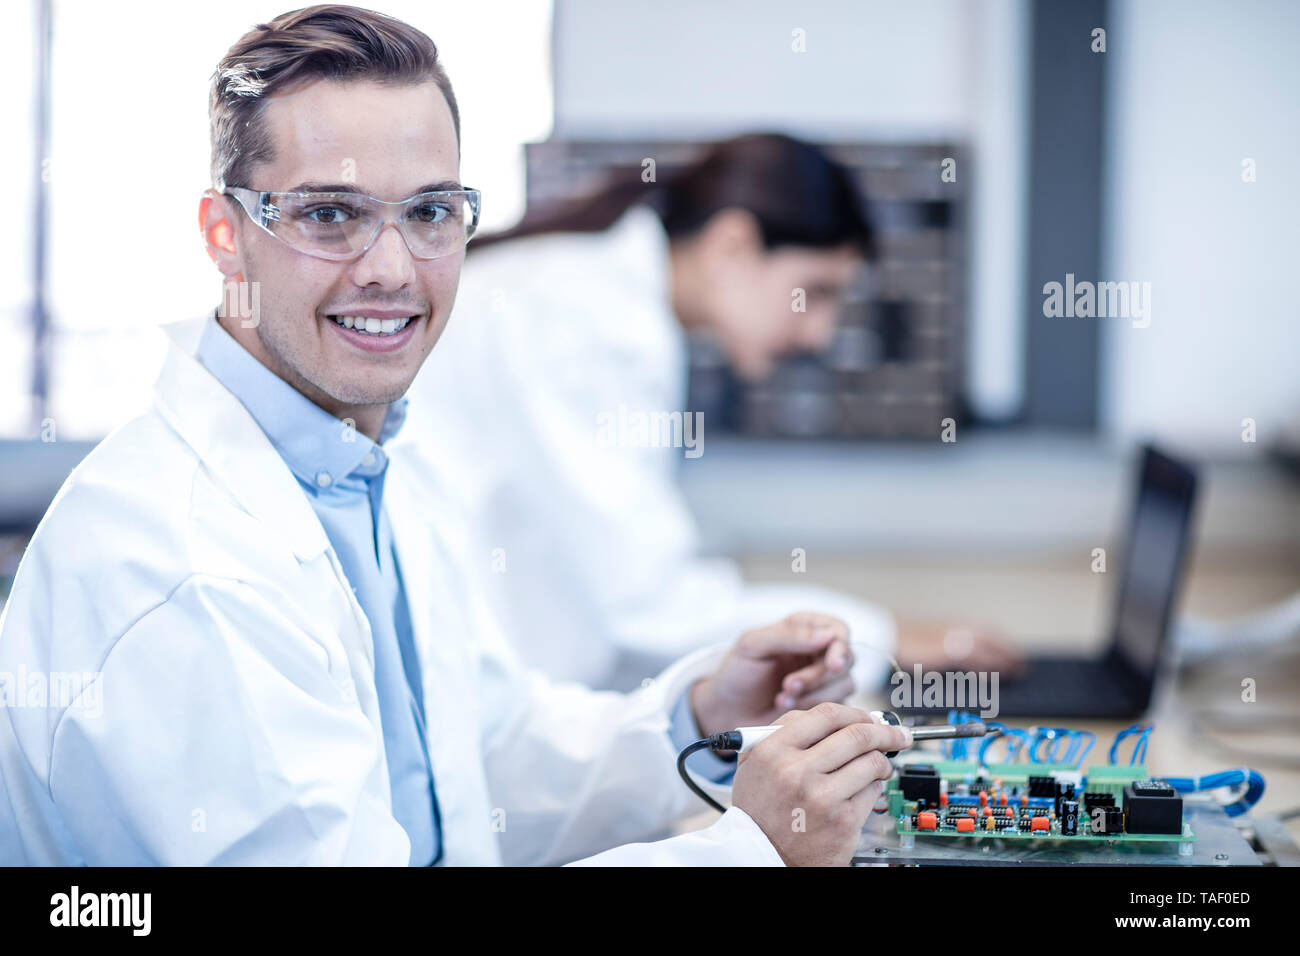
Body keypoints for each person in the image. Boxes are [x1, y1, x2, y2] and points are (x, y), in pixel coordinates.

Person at [0, 4, 911, 867]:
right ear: (224, 234)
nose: (392, 270)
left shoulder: (371, 470)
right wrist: (750, 849)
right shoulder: (175, 562)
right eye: (329, 215)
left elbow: (478, 765)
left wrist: (696, 714)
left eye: (430, 213)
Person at [403, 133, 1022, 692]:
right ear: (734, 244)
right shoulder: (587, 325)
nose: (821, 333)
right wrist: (875, 637)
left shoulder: (600, 297)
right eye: (818, 290)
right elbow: (649, 605)